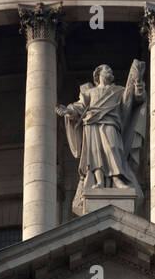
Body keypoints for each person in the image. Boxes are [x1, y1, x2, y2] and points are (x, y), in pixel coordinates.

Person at [56, 61, 147, 215]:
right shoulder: (89, 93)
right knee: (95, 155)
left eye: (111, 70)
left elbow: (134, 99)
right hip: (92, 125)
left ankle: (118, 180)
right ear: (98, 75)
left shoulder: (118, 90)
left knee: (114, 149)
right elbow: (79, 107)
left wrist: (138, 83)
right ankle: (98, 182)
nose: (111, 72)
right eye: (107, 70)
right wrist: (68, 111)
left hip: (111, 124)